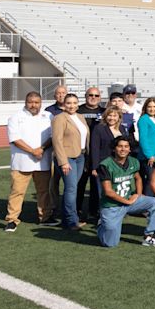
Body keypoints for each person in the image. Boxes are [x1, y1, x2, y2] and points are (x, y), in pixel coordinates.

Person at [96, 136, 155, 248]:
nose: (123, 149)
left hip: (129, 200)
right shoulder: (105, 165)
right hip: (112, 206)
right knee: (110, 244)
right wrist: (127, 202)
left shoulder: (133, 161)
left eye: (126, 146)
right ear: (114, 148)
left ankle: (150, 236)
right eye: (120, 146)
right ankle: (101, 226)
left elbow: (138, 178)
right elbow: (108, 191)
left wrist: (139, 194)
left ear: (130, 149)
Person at [4, 91, 53, 231]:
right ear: (25, 102)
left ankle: (45, 217)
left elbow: (52, 136)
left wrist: (42, 149)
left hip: (43, 161)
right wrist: (33, 151)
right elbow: (15, 139)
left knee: (43, 191)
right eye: (30, 102)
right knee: (17, 192)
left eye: (36, 102)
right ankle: (12, 219)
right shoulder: (15, 117)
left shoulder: (48, 116)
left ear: (41, 103)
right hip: (21, 162)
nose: (33, 105)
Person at [51, 92, 90, 230]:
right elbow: (57, 140)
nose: (72, 106)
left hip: (80, 156)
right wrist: (63, 162)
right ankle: (71, 221)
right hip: (67, 158)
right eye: (68, 103)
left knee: (72, 188)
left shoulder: (80, 117)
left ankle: (67, 218)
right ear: (64, 104)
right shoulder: (59, 118)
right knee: (71, 189)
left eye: (74, 103)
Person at [75, 86, 106, 217]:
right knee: (79, 184)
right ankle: (76, 209)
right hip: (81, 152)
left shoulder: (104, 111)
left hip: (98, 152)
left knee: (95, 184)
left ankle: (94, 211)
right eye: (90, 95)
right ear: (86, 96)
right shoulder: (78, 110)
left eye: (96, 96)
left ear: (100, 98)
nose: (93, 98)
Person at [137, 97, 155, 176]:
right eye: (149, 107)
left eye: (154, 107)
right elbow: (143, 139)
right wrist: (149, 155)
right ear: (145, 108)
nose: (152, 109)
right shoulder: (144, 120)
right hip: (149, 157)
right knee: (150, 181)